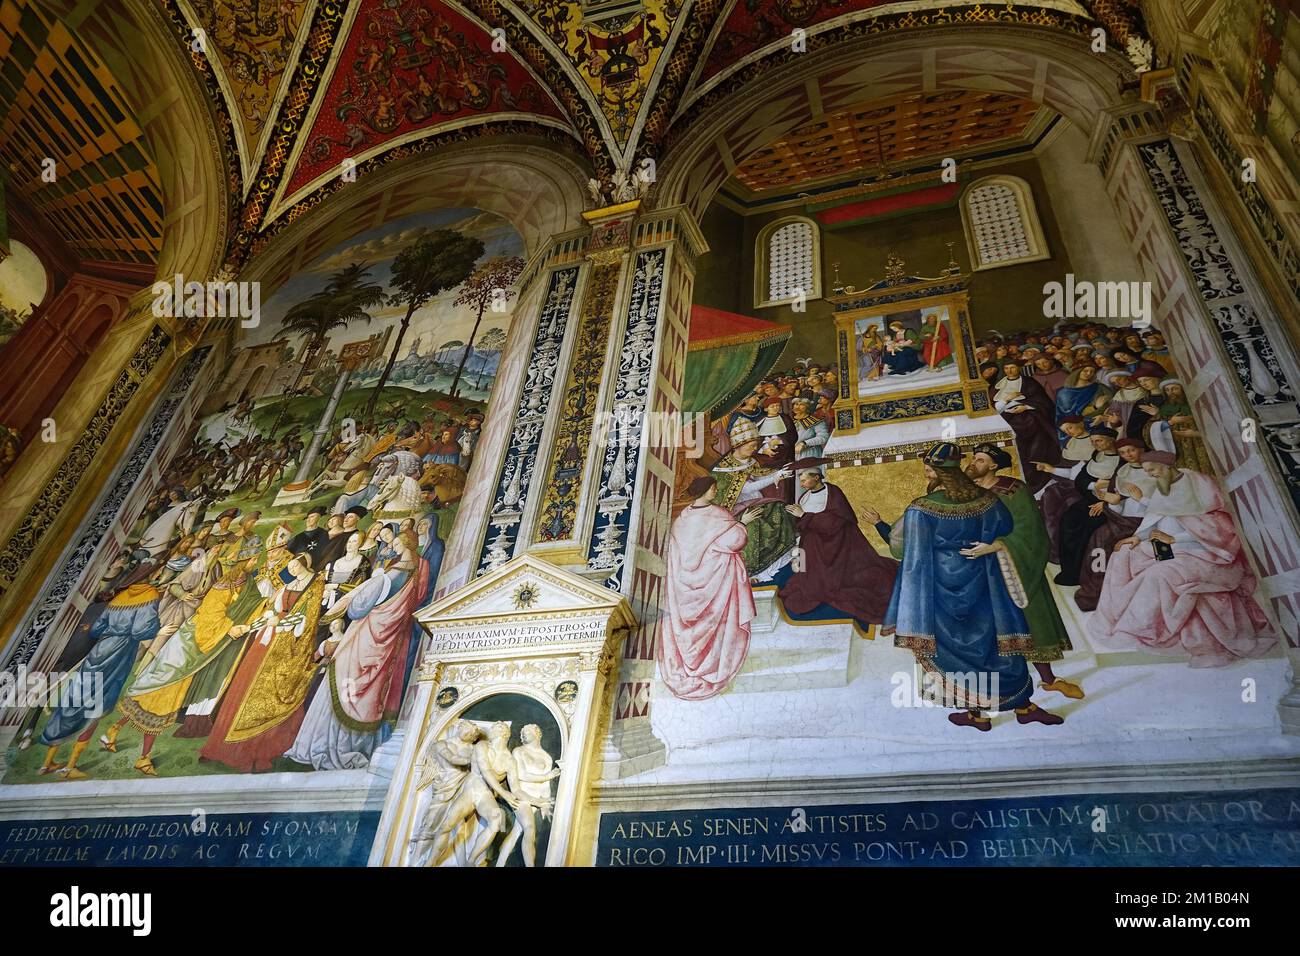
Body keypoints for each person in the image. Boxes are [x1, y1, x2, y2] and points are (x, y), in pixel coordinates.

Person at [879, 442, 1062, 731]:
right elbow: (1003, 527)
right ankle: (1023, 707)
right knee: (996, 643)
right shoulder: (987, 501)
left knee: (958, 650)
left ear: (937, 474)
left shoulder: (921, 509)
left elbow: (903, 551)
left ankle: (977, 712)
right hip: (984, 582)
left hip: (940, 587)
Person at [1090, 451, 1276, 665]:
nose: (1150, 475)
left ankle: (1143, 629)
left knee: (1159, 574)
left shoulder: (1199, 484)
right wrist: (1136, 538)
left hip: (1206, 553)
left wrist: (1173, 539)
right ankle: (1121, 622)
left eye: (1152, 470)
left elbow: (1221, 529)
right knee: (1122, 557)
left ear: (1166, 466)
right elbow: (1156, 516)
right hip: (1167, 546)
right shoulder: (1163, 485)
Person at [964, 444, 1081, 698]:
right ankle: (1002, 691)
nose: (973, 463)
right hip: (978, 569)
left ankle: (1049, 680)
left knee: (1030, 622)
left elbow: (1031, 529)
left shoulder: (1013, 490)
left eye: (980, 459)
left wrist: (996, 546)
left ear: (993, 465)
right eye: (973, 458)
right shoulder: (966, 493)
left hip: (1015, 563)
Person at [198, 552, 325, 772]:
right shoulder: (287, 587)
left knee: (262, 694)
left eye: (295, 565)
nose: (292, 570)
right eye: (290, 567)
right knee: (241, 688)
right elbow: (271, 612)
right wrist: (251, 626)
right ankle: (217, 747)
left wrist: (282, 620)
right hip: (265, 642)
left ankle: (253, 752)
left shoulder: (314, 587)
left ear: (304, 564)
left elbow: (307, 619)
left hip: (285, 646)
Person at [36, 583, 163, 780]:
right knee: (96, 708)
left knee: (73, 701)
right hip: (118, 655)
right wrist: (157, 625)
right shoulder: (149, 597)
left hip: (98, 651)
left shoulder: (119, 600)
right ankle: (70, 767)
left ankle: (46, 764)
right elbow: (141, 632)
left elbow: (96, 630)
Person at [659, 476, 762, 700]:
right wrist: (742, 523)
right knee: (718, 624)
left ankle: (690, 666)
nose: (716, 490)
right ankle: (713, 665)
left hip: (684, 589)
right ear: (706, 490)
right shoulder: (717, 515)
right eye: (714, 487)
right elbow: (735, 541)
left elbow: (679, 553)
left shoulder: (681, 519)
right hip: (713, 586)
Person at [778, 460, 898, 627]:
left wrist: (805, 516)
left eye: (805, 479)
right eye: (801, 480)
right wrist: (798, 518)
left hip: (837, 545)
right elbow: (802, 522)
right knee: (807, 582)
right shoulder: (804, 497)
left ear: (817, 478)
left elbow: (835, 523)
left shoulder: (833, 492)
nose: (802, 483)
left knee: (850, 581)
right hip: (813, 546)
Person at [709, 419, 795, 576]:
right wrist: (774, 477)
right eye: (751, 446)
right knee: (754, 524)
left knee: (779, 510)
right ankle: (752, 569)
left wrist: (777, 475)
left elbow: (758, 476)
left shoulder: (750, 461)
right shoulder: (724, 468)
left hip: (755, 501)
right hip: (733, 509)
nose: (754, 449)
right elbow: (746, 488)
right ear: (739, 445)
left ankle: (777, 559)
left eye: (756, 446)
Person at [496, 724, 560, 867]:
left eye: (526, 732)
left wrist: (545, 803)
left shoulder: (546, 757)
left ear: (537, 733)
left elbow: (546, 785)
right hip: (522, 797)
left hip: (536, 801)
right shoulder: (519, 751)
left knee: (516, 832)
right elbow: (521, 774)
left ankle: (499, 863)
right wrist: (547, 776)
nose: (522, 735)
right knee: (530, 829)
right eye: (521, 733)